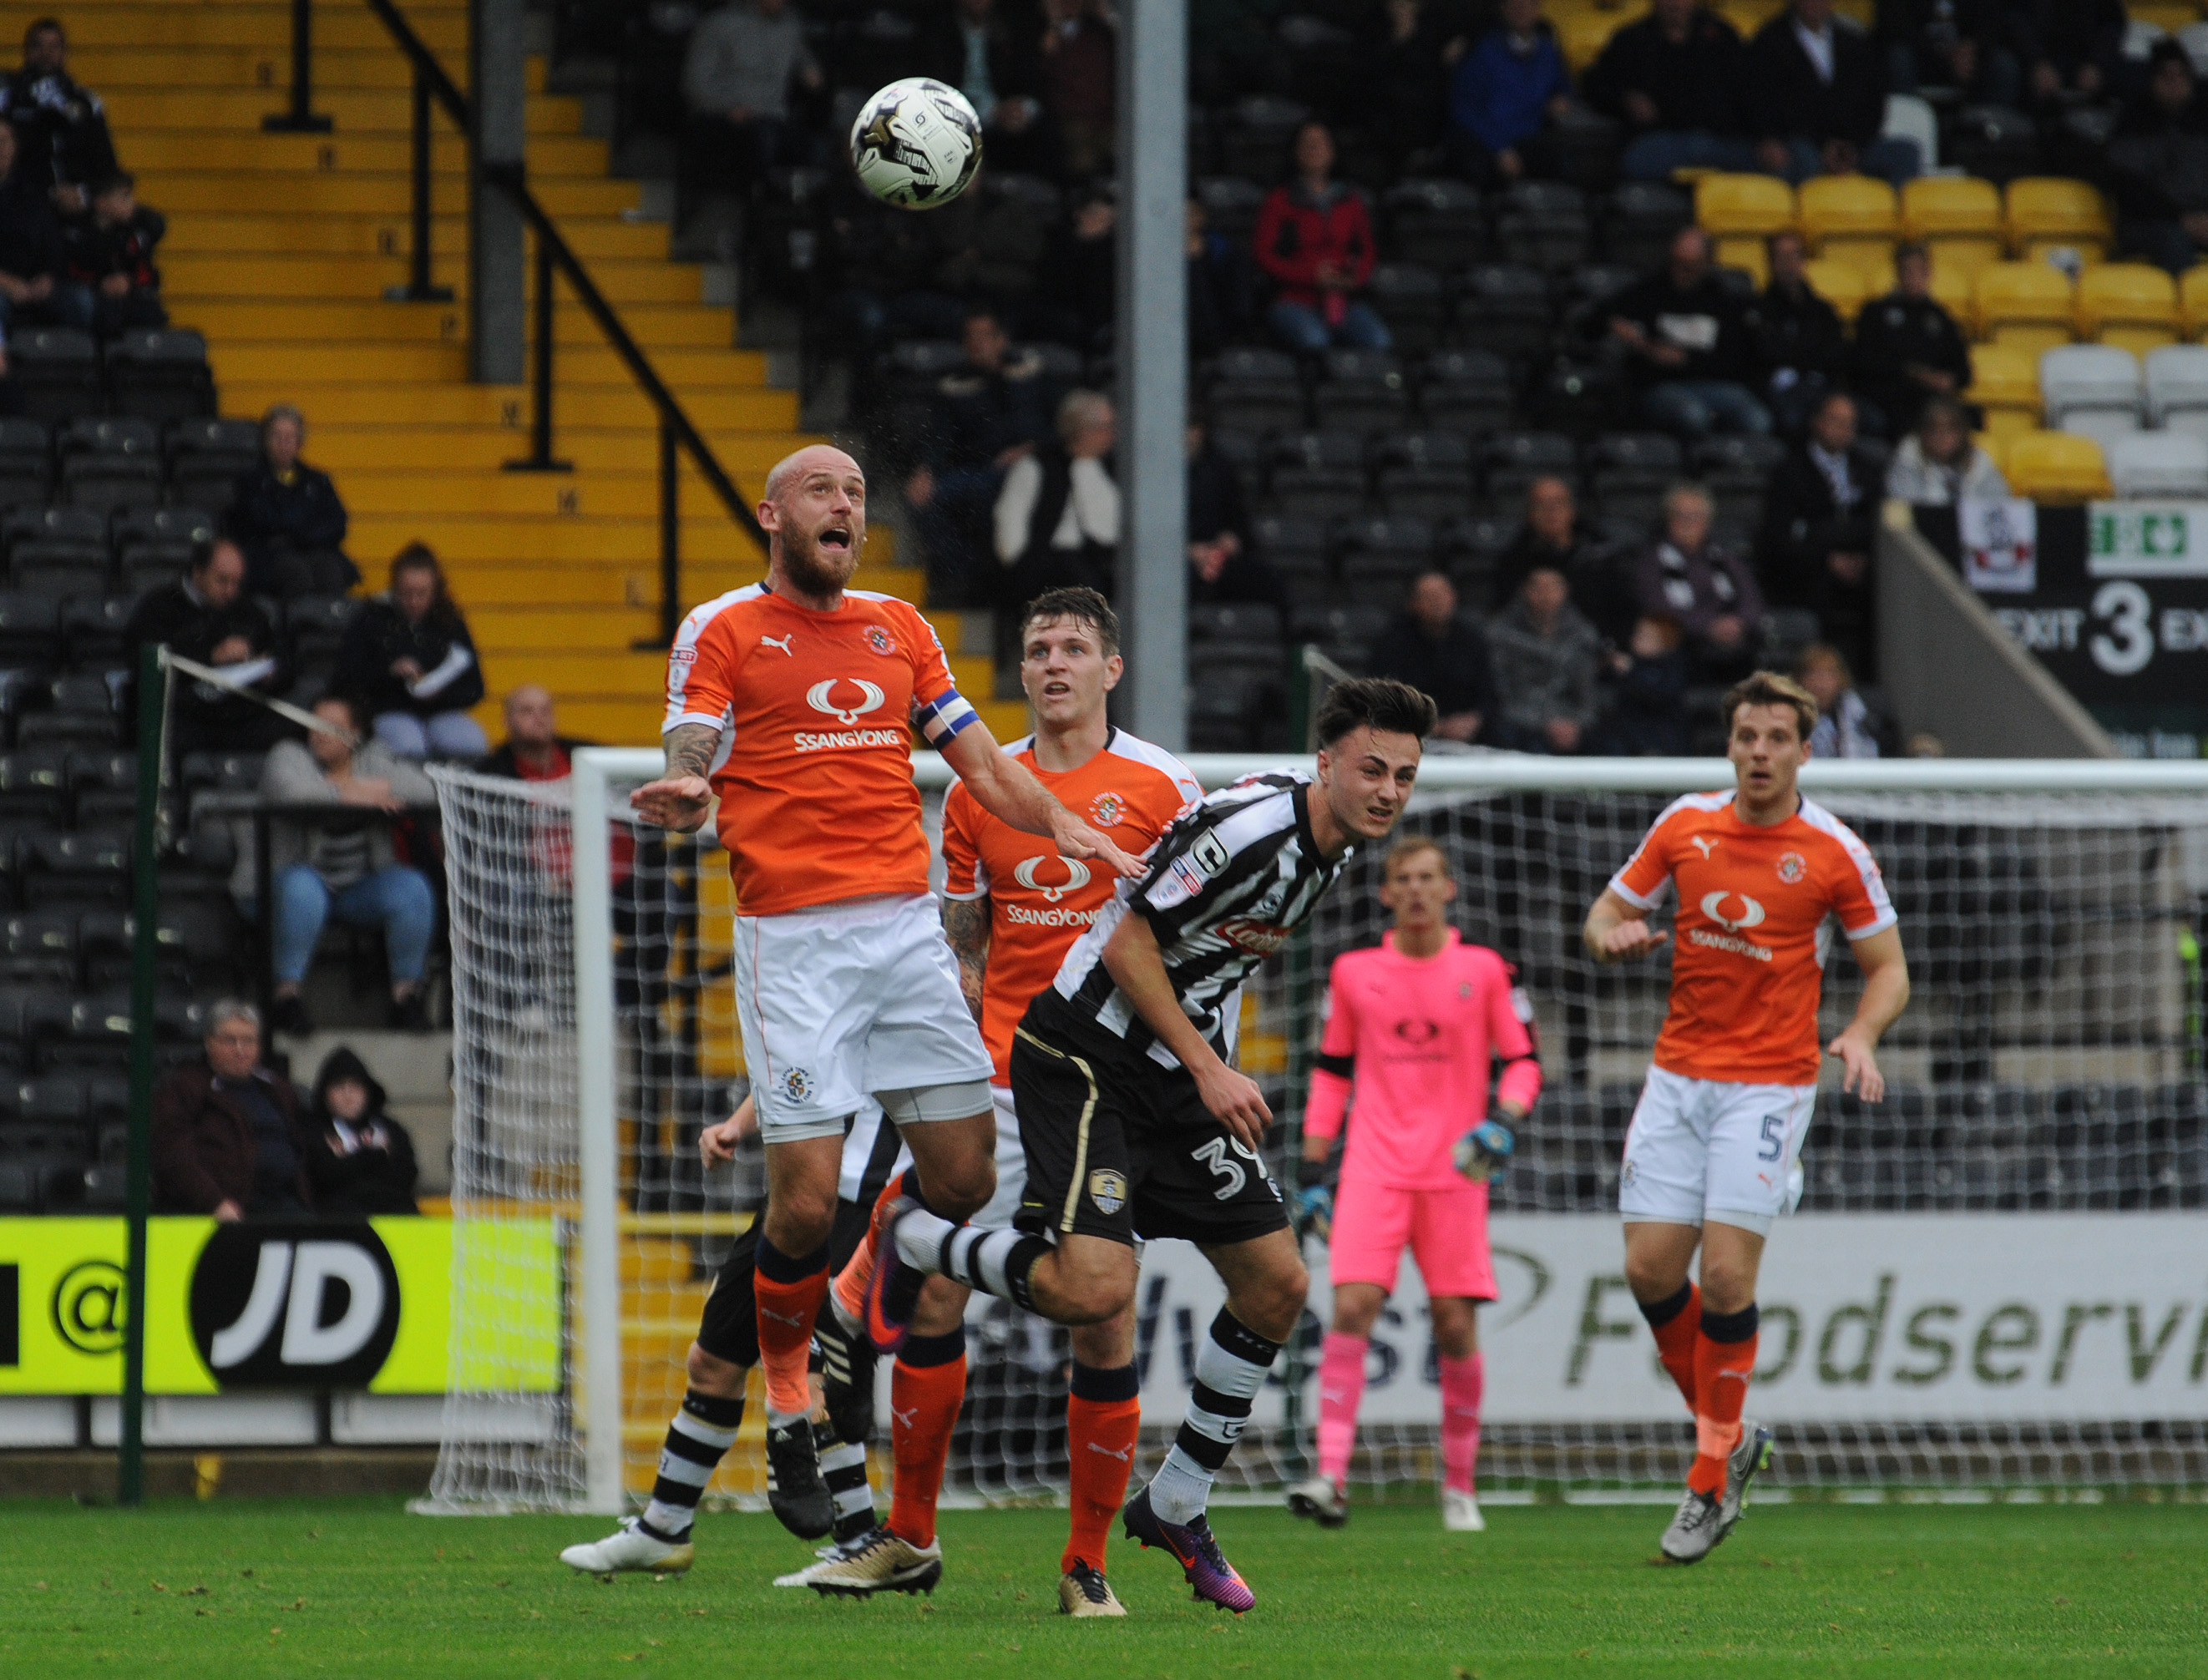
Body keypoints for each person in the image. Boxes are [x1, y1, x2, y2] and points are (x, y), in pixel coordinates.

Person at [630, 443, 1137, 1545]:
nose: (846, 506)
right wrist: (688, 777)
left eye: (857, 493)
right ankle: (791, 1402)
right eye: (822, 490)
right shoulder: (724, 627)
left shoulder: (900, 628)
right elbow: (695, 729)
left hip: (903, 935)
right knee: (805, 1204)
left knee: (963, 1179)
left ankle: (850, 1313)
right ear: (772, 514)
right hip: (793, 940)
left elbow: (981, 764)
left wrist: (1060, 819)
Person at [860, 677, 1434, 1614]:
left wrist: (1199, 1065)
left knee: (1278, 1285)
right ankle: (918, 1238)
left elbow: (1206, 954)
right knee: (1095, 1292)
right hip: (1083, 1054)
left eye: (1403, 776)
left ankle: (1175, 1502)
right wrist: (1212, 1068)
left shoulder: (1329, 848)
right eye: (1372, 769)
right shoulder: (1256, 832)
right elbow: (1128, 942)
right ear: (1325, 762)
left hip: (1170, 1075)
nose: (1387, 791)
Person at [803, 587, 1203, 1604]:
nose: (1054, 662)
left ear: (1112, 668)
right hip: (1000, 1079)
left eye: (1074, 646)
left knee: (1102, 1316)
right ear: (1020, 671)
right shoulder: (979, 791)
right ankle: (909, 1535)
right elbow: (966, 948)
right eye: (1037, 648)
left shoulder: (1165, 787)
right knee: (938, 1292)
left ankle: (1086, 1565)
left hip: (1110, 1089)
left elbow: (1189, 944)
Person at [1581, 671, 1909, 1561]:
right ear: (1729, 745)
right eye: (1746, 736)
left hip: (1768, 1085)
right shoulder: (1684, 825)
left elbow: (1888, 968)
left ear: (1804, 751)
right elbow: (1606, 913)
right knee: (1649, 1269)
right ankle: (1730, 1434)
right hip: (1676, 1078)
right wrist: (1610, 935)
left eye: (1776, 738)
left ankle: (1706, 1480)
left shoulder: (1834, 851)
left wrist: (1861, 1033)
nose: (1759, 752)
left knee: (1725, 1280)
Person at [1284, 835, 1541, 1534]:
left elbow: (1523, 1061)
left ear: (1449, 889)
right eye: (1405, 879)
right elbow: (1332, 1072)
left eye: (1429, 878)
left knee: (1455, 1325)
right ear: (1387, 894)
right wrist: (1313, 1171)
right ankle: (1331, 1476)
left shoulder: (1484, 969)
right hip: (1373, 1169)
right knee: (1353, 1307)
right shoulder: (1353, 973)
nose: (1418, 890)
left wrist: (1503, 1121)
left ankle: (1459, 1485)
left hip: (1455, 1171)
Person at [238, 691, 438, 1037]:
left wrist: (347, 787)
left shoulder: (375, 756)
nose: (319, 733)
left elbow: (425, 792)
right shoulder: (289, 754)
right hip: (281, 887)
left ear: (356, 734)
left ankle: (406, 998)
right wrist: (356, 792)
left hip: (354, 890)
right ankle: (287, 998)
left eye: (331, 727)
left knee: (411, 888)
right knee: (304, 889)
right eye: (313, 724)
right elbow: (293, 793)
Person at [904, 308, 1056, 606]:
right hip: (979, 471)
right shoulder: (954, 385)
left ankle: (1007, 585)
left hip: (1036, 467)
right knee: (924, 497)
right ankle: (963, 577)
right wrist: (925, 470)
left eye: (984, 336)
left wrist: (1031, 449)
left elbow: (1061, 424)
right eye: (971, 337)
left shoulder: (1032, 372)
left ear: (1002, 339)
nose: (977, 343)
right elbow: (939, 437)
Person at [124, 536, 292, 757]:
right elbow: (144, 661)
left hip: (236, 714)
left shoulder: (248, 612)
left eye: (236, 583)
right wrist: (211, 656)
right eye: (222, 580)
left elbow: (284, 660)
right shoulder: (160, 606)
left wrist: (266, 670)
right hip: (182, 712)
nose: (230, 590)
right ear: (198, 572)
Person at [151, 1000, 315, 1218]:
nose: (240, 1050)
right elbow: (173, 1156)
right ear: (209, 1043)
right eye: (230, 1040)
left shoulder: (279, 1089)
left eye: (248, 1041)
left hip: (287, 1203)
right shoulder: (185, 1088)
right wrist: (214, 1202)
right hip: (226, 1211)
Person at [1608, 226, 1771, 440]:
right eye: (1675, 263)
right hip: (1664, 385)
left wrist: (1684, 359)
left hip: (1716, 383)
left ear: (1706, 264)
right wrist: (1635, 339)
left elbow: (1734, 358)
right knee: (1692, 415)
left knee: (1757, 419)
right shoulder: (1651, 292)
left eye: (1688, 266)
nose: (1679, 272)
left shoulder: (1723, 300)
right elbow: (1603, 315)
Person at [1760, 390, 1880, 674]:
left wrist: (1861, 559)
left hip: (1860, 562)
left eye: (1849, 423)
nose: (1843, 429)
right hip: (1810, 568)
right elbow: (1779, 536)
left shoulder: (1866, 468)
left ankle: (1869, 675)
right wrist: (1827, 559)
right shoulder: (1791, 470)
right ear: (1817, 422)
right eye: (1835, 420)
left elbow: (1876, 522)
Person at [333, 544, 489, 761]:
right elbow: (346, 676)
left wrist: (439, 693)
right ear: (395, 587)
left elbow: (475, 687)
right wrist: (389, 672)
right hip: (389, 709)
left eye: (422, 593)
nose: (414, 601)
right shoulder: (371, 618)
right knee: (409, 745)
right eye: (406, 593)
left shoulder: (449, 622)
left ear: (435, 591)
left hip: (441, 711)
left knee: (470, 744)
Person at [1745, 0, 1917, 188]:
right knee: (1801, 157)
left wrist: (1852, 145)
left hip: (1852, 145)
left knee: (1904, 153)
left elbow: (1872, 104)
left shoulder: (1853, 41)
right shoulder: (1770, 42)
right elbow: (1767, 105)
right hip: (1802, 143)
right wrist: (1823, 145)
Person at [1253, 122, 1389, 354]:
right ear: (1296, 152)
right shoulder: (1279, 201)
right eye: (1307, 144)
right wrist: (1311, 276)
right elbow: (1263, 255)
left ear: (1333, 151)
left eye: (1321, 143)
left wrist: (1353, 278)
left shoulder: (1351, 201)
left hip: (1344, 300)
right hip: (1293, 299)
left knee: (1378, 340)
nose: (1314, 149)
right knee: (1315, 341)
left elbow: (1367, 250)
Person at [1583, 0, 1754, 183]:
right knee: (1636, 163)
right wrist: (1626, 98)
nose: (1675, 4)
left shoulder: (1722, 36)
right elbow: (1595, 84)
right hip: (1658, 140)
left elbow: (1749, 91)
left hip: (1719, 139)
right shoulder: (1631, 39)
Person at [679, 0, 823, 215]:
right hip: (726, 116)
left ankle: (803, 216)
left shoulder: (790, 25)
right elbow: (695, 83)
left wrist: (811, 73)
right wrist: (727, 108)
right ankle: (756, 214)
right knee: (763, 142)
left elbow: (803, 58)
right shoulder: (720, 24)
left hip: (775, 115)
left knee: (817, 148)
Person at [993, 388, 1118, 608]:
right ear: (1079, 430)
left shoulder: (1117, 470)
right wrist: (1020, 566)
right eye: (1103, 427)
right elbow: (1010, 519)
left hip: (1105, 562)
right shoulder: (1037, 467)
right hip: (1051, 568)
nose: (1110, 435)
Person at [1633, 483, 1765, 682]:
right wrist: (1707, 625)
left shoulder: (1724, 558)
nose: (1689, 524)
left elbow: (1751, 598)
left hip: (1733, 645)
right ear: (1668, 519)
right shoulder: (1651, 562)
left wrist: (1738, 623)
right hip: (1685, 647)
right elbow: (1659, 608)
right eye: (1681, 516)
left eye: (1696, 517)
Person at [228, 402, 355, 600]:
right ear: (265, 440)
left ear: (300, 441)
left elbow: (337, 523)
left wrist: (299, 534)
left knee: (331, 571)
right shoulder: (251, 481)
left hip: (313, 552)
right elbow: (259, 520)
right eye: (277, 436)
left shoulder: (317, 481)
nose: (284, 443)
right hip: (268, 556)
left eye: (290, 437)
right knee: (295, 573)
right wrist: (299, 529)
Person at [2104, 41, 2208, 278]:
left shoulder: (2202, 122)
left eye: (2181, 75)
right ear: (2152, 80)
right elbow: (2130, 190)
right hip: (2149, 222)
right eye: (2166, 76)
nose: (2175, 83)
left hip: (2201, 217)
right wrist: (2182, 219)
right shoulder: (2133, 124)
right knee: (2173, 240)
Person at [1849, 242, 1970, 438]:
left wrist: (1946, 380)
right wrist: (1912, 373)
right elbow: (1863, 362)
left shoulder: (1941, 318)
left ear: (1929, 274)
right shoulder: (1875, 313)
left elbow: (1963, 370)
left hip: (1930, 402)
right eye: (1907, 270)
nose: (1914, 277)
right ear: (1897, 273)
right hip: (1887, 402)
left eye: (1920, 271)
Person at [919, 0, 1053, 178]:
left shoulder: (1011, 25)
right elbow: (935, 89)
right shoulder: (938, 29)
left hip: (1007, 113)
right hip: (959, 116)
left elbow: (1028, 79)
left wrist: (1022, 107)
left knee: (1045, 129)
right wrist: (990, 111)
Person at [1446, 0, 1572, 185]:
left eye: (1528, 4)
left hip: (1530, 138)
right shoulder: (1483, 52)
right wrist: (1500, 148)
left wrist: (1562, 97)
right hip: (1487, 141)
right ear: (1503, 9)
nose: (1521, 9)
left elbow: (1562, 86)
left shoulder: (1547, 51)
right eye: (1514, 4)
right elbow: (1465, 108)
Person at [1366, 569, 1496, 746]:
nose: (1438, 602)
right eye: (1429, 596)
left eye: (1443, 594)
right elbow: (1384, 696)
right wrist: (1431, 725)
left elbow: (1489, 694)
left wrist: (1473, 720)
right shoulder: (1393, 643)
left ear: (1454, 597)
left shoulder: (1472, 640)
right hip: (1411, 734)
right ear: (1413, 603)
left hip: (1468, 735)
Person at [1486, 563, 1603, 755]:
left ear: (1564, 592)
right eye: (1538, 588)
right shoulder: (1503, 634)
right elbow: (1501, 693)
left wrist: (1574, 724)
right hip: (1520, 722)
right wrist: (1545, 723)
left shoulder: (1582, 636)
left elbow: (1588, 695)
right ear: (1525, 591)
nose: (1545, 595)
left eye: (1553, 588)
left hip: (1570, 723)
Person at [1742, 230, 1848, 439]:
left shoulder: (1821, 310)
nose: (1790, 264)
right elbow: (1761, 355)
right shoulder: (1757, 310)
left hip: (1820, 387)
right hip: (1777, 392)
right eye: (1782, 257)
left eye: (1796, 255)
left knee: (1863, 417)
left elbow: (1836, 354)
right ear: (1771, 262)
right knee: (1792, 419)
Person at [0, 18, 114, 209]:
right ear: (26, 50)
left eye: (54, 47)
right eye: (38, 46)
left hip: (77, 207)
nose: (46, 54)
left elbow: (107, 165)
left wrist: (83, 194)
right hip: (20, 203)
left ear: (64, 52)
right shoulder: (7, 98)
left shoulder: (86, 103)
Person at [305, 1046, 419, 1216]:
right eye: (338, 1087)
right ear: (325, 1094)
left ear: (368, 1091)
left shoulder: (390, 1129)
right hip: (341, 1219)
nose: (348, 1095)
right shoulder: (313, 1131)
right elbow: (325, 1176)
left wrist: (353, 1164)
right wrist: (375, 1157)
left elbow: (407, 1173)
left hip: (394, 1214)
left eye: (356, 1086)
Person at [1187, 420, 1285, 612]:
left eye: (1194, 430)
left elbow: (1239, 523)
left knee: (1270, 580)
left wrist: (1232, 540)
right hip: (1179, 561)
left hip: (1218, 558)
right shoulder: (1157, 473)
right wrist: (1187, 551)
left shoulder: (1220, 467)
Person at [0, 120, 84, 334]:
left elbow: (52, 241)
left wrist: (48, 278)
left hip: (35, 284)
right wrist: (6, 282)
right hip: (4, 286)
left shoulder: (32, 192)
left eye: (3, 141)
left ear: (15, 146)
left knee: (81, 301)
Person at [63, 169, 165, 336]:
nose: (131, 203)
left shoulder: (134, 233)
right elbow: (69, 271)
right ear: (101, 203)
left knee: (149, 311)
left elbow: (146, 272)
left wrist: (129, 282)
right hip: (92, 295)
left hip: (127, 296)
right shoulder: (78, 234)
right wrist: (100, 284)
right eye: (124, 197)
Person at [1491, 473, 1604, 615]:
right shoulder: (1514, 561)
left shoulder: (1600, 555)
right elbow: (1506, 611)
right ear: (1530, 514)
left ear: (1572, 511)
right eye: (1541, 505)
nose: (1551, 511)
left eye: (1558, 503)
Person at [1875, 0, 2017, 105]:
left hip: (1965, 60)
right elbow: (1895, 25)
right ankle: (1904, 126)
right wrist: (1943, 52)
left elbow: (1993, 22)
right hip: (1920, 57)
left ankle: (1991, 130)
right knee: (1898, 58)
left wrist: (1972, 46)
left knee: (2002, 64)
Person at [1033, 0, 1116, 180]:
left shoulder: (1101, 33)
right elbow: (1037, 81)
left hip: (1107, 118)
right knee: (1080, 154)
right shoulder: (1040, 34)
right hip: (1069, 119)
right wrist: (1049, 44)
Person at [1591, 615, 1694, 756]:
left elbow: (1660, 696)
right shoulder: (1623, 665)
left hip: (1663, 739)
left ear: (1664, 641)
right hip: (1627, 740)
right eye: (1637, 633)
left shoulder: (1673, 666)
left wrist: (1632, 672)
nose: (1637, 638)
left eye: (1645, 635)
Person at [1884, 395, 2007, 507]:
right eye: (1934, 429)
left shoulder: (1979, 461)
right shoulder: (1909, 458)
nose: (1942, 437)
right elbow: (1904, 508)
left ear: (1963, 432)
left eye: (1950, 429)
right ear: (1923, 433)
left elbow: (2000, 505)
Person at [1795, 641, 1891, 758]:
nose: (1820, 683)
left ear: (1841, 677)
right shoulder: (1793, 713)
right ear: (1800, 678)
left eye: (1828, 674)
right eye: (1813, 674)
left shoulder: (1858, 711)